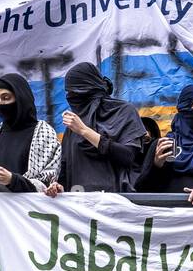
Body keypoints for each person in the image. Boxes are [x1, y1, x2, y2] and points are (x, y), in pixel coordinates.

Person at [44, 62, 147, 195]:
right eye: (69, 92)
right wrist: (58, 186)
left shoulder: (124, 112)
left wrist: (85, 131)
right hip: (81, 204)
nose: (71, 97)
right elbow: (65, 166)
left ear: (88, 89)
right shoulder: (75, 124)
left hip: (117, 200)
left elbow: (128, 156)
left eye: (75, 92)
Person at [0, 74, 60, 193]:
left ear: (21, 98)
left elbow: (47, 183)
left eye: (6, 98)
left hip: (31, 209)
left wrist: (12, 180)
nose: (0, 104)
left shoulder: (44, 134)